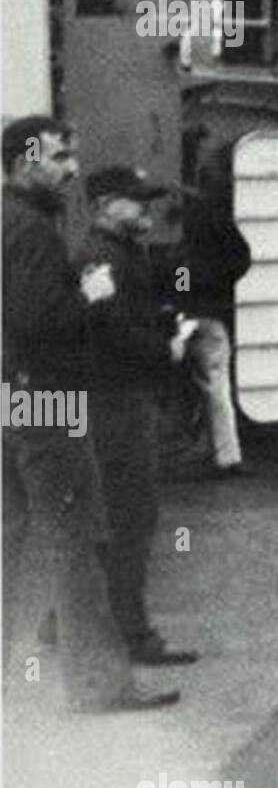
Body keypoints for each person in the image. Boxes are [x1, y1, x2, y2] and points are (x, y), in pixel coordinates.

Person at [2, 117, 179, 712]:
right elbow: (40, 321)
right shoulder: (34, 231)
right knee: (75, 538)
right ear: (26, 161)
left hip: (11, 393)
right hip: (50, 396)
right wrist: (91, 296)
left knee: (8, 534)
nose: (72, 168)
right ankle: (100, 686)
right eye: (60, 157)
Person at [77, 166, 200, 666]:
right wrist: (166, 349)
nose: (147, 208)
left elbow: (120, 320)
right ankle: (133, 637)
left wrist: (160, 319)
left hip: (117, 401)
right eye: (136, 201)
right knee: (130, 518)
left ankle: (66, 624)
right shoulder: (101, 257)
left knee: (117, 517)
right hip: (117, 403)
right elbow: (110, 334)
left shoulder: (120, 253)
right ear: (107, 205)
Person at [167, 158, 252, 477]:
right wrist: (217, 284)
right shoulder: (220, 222)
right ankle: (227, 454)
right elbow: (242, 260)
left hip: (177, 310)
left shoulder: (177, 220)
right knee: (216, 384)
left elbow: (176, 269)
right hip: (210, 311)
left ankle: (179, 444)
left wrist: (177, 291)